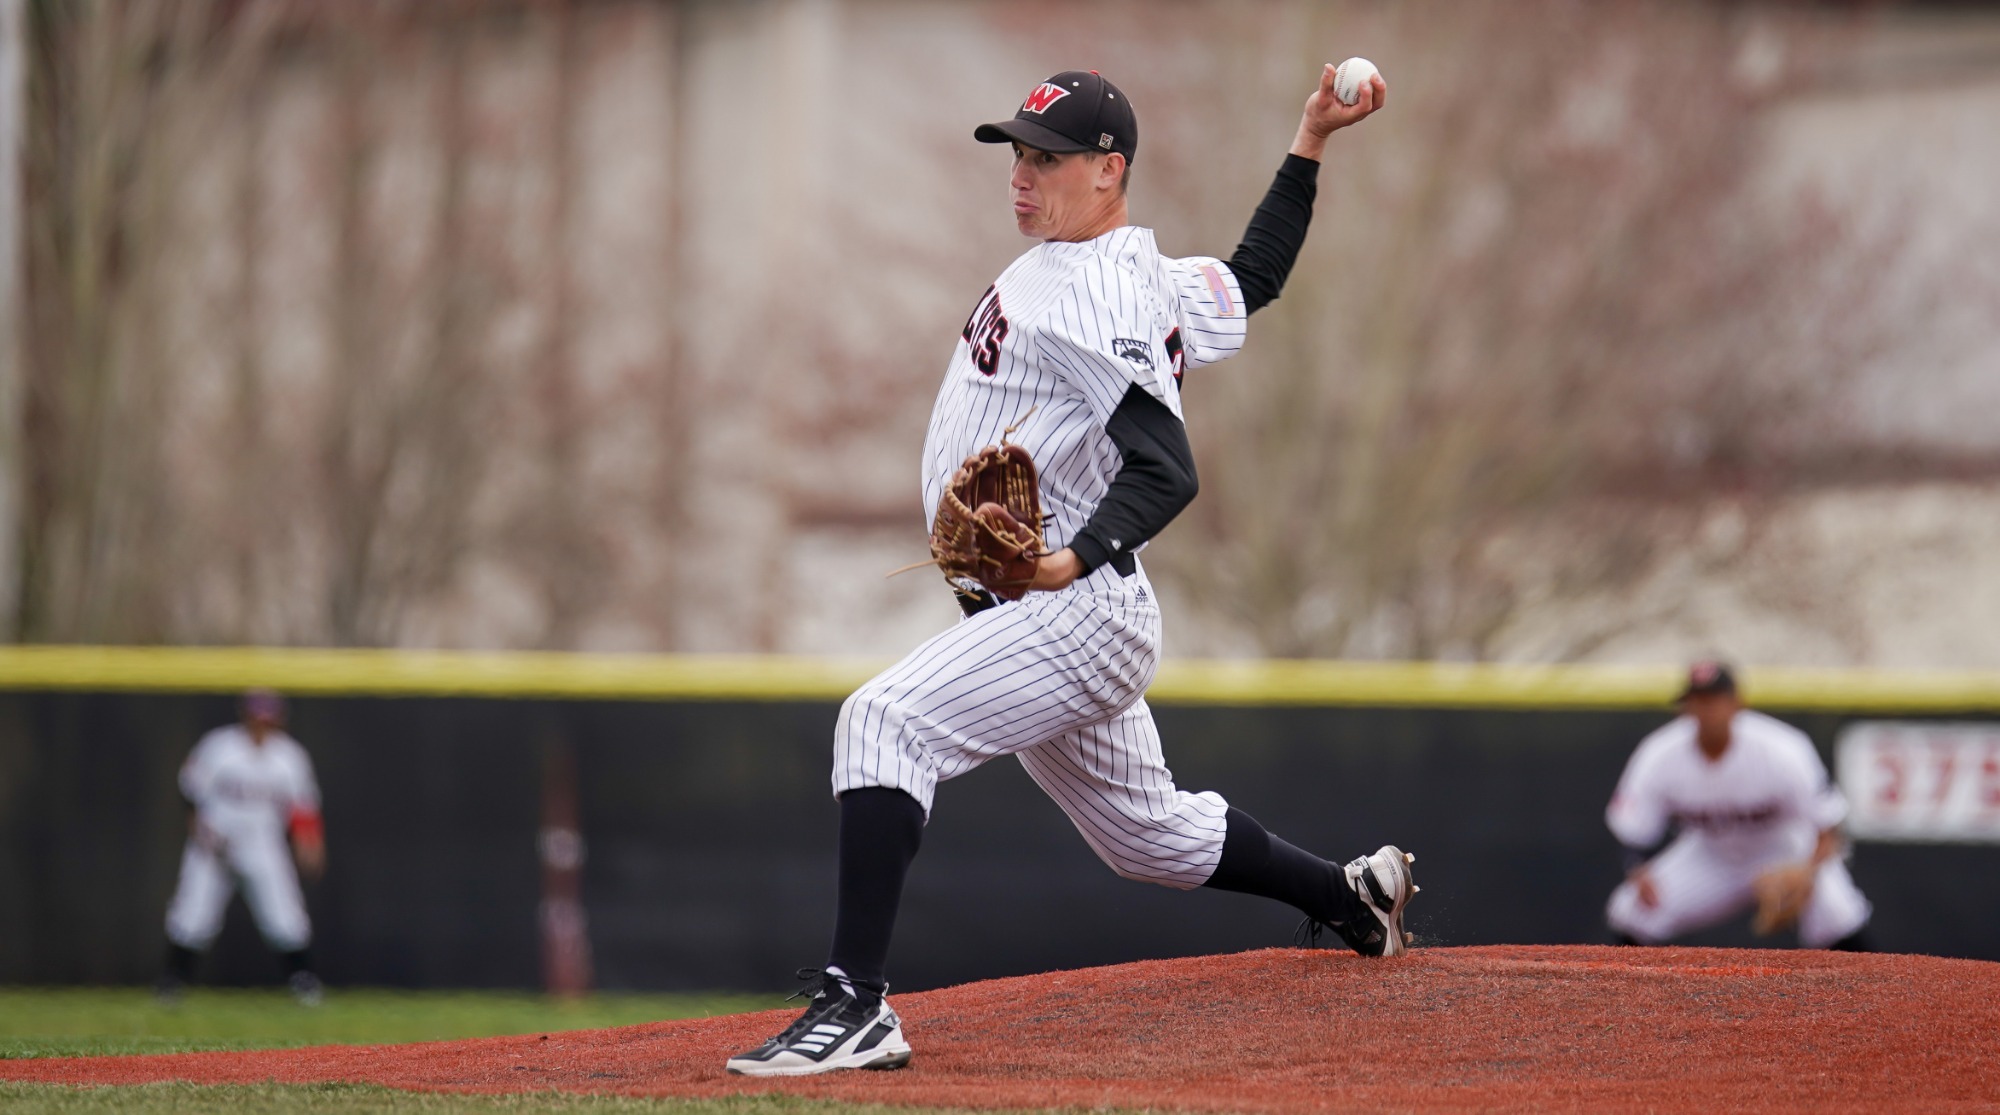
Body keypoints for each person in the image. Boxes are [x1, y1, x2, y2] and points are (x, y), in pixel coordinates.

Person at [725, 63, 1413, 1078]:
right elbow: (1251, 277)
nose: (1021, 175)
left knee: (881, 720)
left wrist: (1061, 559)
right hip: (1063, 607)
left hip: (1073, 607)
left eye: (1045, 159)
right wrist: (1307, 143)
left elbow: (1165, 468)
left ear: (1108, 169)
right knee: (1150, 837)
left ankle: (854, 1004)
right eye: (1016, 153)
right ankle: (1351, 897)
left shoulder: (1089, 290)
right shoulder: (1133, 271)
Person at [1605, 661, 1872, 950]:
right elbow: (1632, 830)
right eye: (1698, 701)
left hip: (1784, 849)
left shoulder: (1782, 748)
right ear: (1685, 708)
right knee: (1631, 909)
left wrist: (1806, 872)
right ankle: (1624, 994)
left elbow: (1829, 827)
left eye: (1715, 700)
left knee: (1838, 912)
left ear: (1737, 704)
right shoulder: (1659, 753)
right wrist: (1637, 870)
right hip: (1709, 854)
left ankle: (1872, 992)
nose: (1707, 710)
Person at [159, 689, 328, 1005]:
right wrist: (196, 826)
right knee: (192, 913)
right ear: (245, 715)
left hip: (263, 845)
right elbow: (190, 791)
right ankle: (173, 982)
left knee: (285, 914)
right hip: (214, 845)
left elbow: (303, 809)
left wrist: (311, 845)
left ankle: (303, 981)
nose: (262, 723)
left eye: (269, 716)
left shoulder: (289, 757)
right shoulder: (219, 746)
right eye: (257, 715)